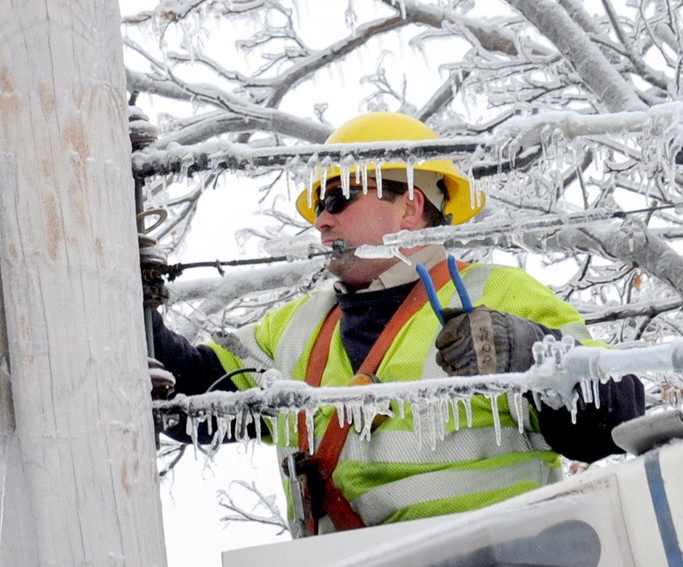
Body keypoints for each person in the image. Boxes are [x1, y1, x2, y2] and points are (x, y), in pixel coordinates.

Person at [150, 111, 644, 537]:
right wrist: (131, 301)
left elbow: (617, 416)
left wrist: (530, 352)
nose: (321, 221)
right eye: (319, 207)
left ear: (410, 205)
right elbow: (188, 393)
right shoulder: (294, 329)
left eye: (338, 198)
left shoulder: (501, 294)